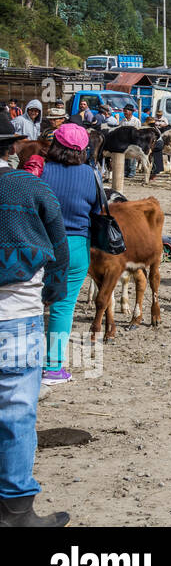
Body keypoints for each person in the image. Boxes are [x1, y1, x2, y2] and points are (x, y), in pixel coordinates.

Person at [0, 162, 71, 526]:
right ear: (12, 146)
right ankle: (16, 513)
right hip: (16, 316)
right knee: (16, 413)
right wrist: (51, 295)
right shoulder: (29, 188)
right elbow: (60, 253)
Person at [35, 124, 100, 387]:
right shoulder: (91, 174)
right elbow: (97, 209)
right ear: (83, 150)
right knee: (63, 307)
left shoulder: (40, 170)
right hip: (75, 246)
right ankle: (52, 367)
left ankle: (20, 361)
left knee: (29, 303)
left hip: (38, 242)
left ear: (55, 145)